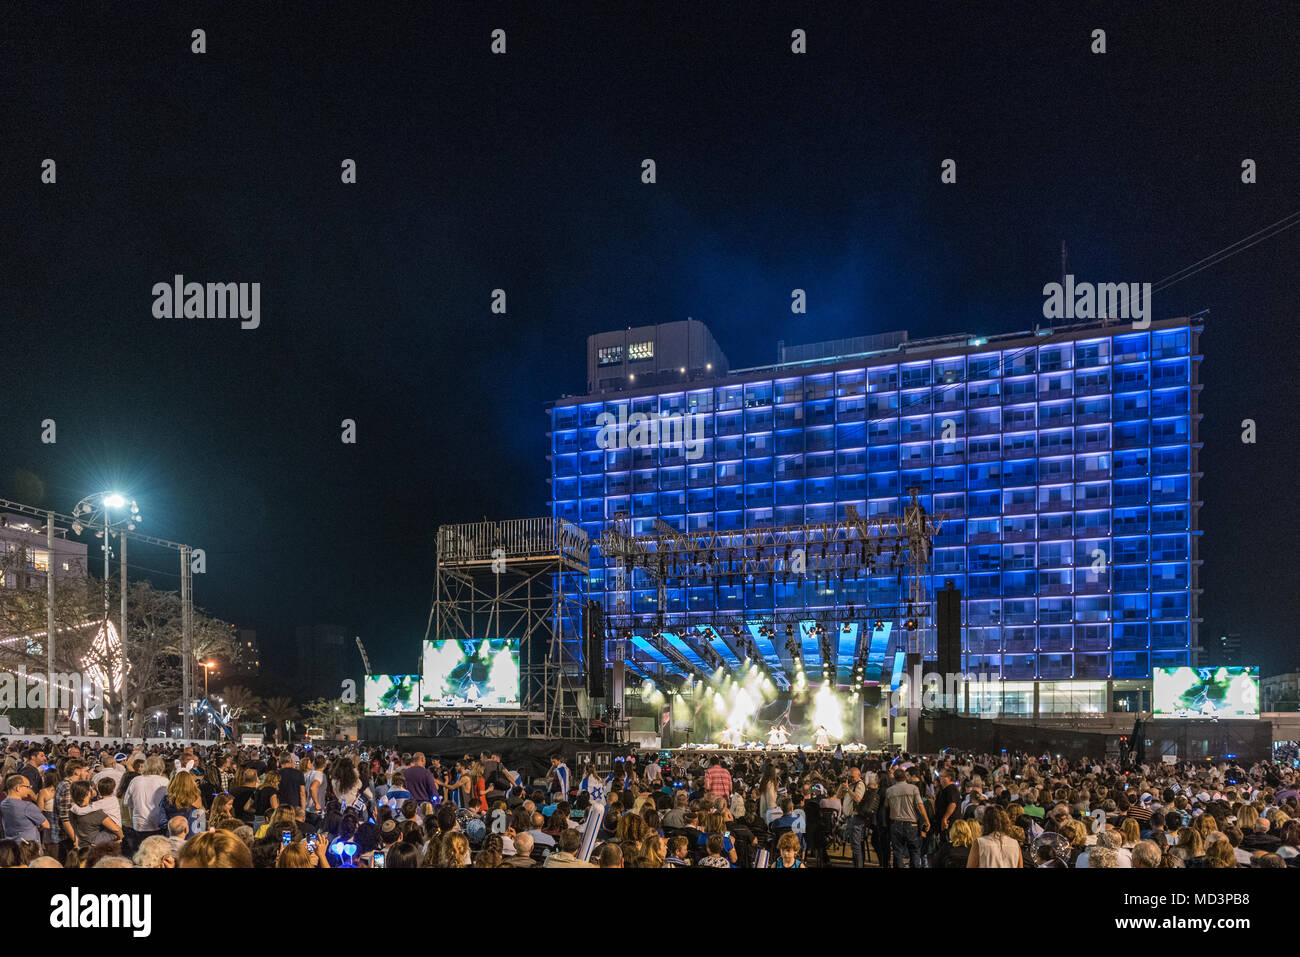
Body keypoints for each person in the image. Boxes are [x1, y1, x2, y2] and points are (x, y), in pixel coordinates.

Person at [885, 768, 929, 868]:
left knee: (898, 851)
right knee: (914, 851)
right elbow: (920, 805)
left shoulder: (889, 791)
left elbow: (887, 806)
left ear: (894, 778)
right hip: (911, 824)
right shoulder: (913, 788)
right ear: (905, 777)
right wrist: (926, 820)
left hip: (896, 823)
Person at [1, 774, 49, 843]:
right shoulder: (27, 806)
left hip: (11, 845)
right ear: (18, 788)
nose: (29, 790)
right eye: (27, 787)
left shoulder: (3, 804)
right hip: (28, 847)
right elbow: (46, 825)